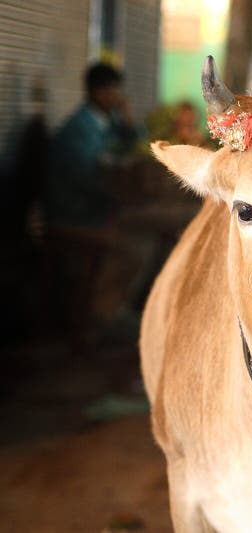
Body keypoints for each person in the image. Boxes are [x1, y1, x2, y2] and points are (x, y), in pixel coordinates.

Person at [44, 62, 140, 355]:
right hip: (74, 215)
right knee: (132, 242)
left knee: (146, 230)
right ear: (93, 91)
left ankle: (112, 308)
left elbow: (132, 145)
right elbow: (88, 182)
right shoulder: (79, 130)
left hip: (92, 208)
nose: (114, 95)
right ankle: (103, 314)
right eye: (109, 89)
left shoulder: (103, 122)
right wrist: (124, 201)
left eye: (116, 89)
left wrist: (128, 121)